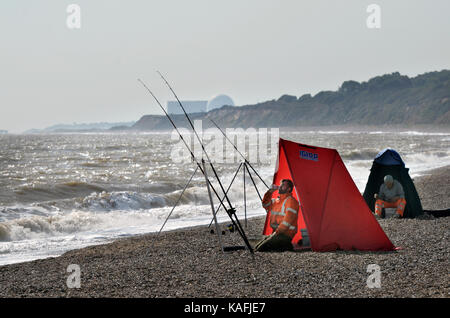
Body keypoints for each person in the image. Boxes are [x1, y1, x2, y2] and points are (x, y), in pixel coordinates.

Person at [254, 179, 299, 252]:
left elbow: (286, 222)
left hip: (285, 235)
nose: (280, 186)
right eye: (281, 184)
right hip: (276, 233)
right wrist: (270, 192)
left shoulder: (291, 201)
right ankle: (283, 246)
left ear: (289, 189)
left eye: (283, 185)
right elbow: (265, 205)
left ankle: (286, 245)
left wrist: (275, 233)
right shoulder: (277, 200)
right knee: (257, 246)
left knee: (260, 249)